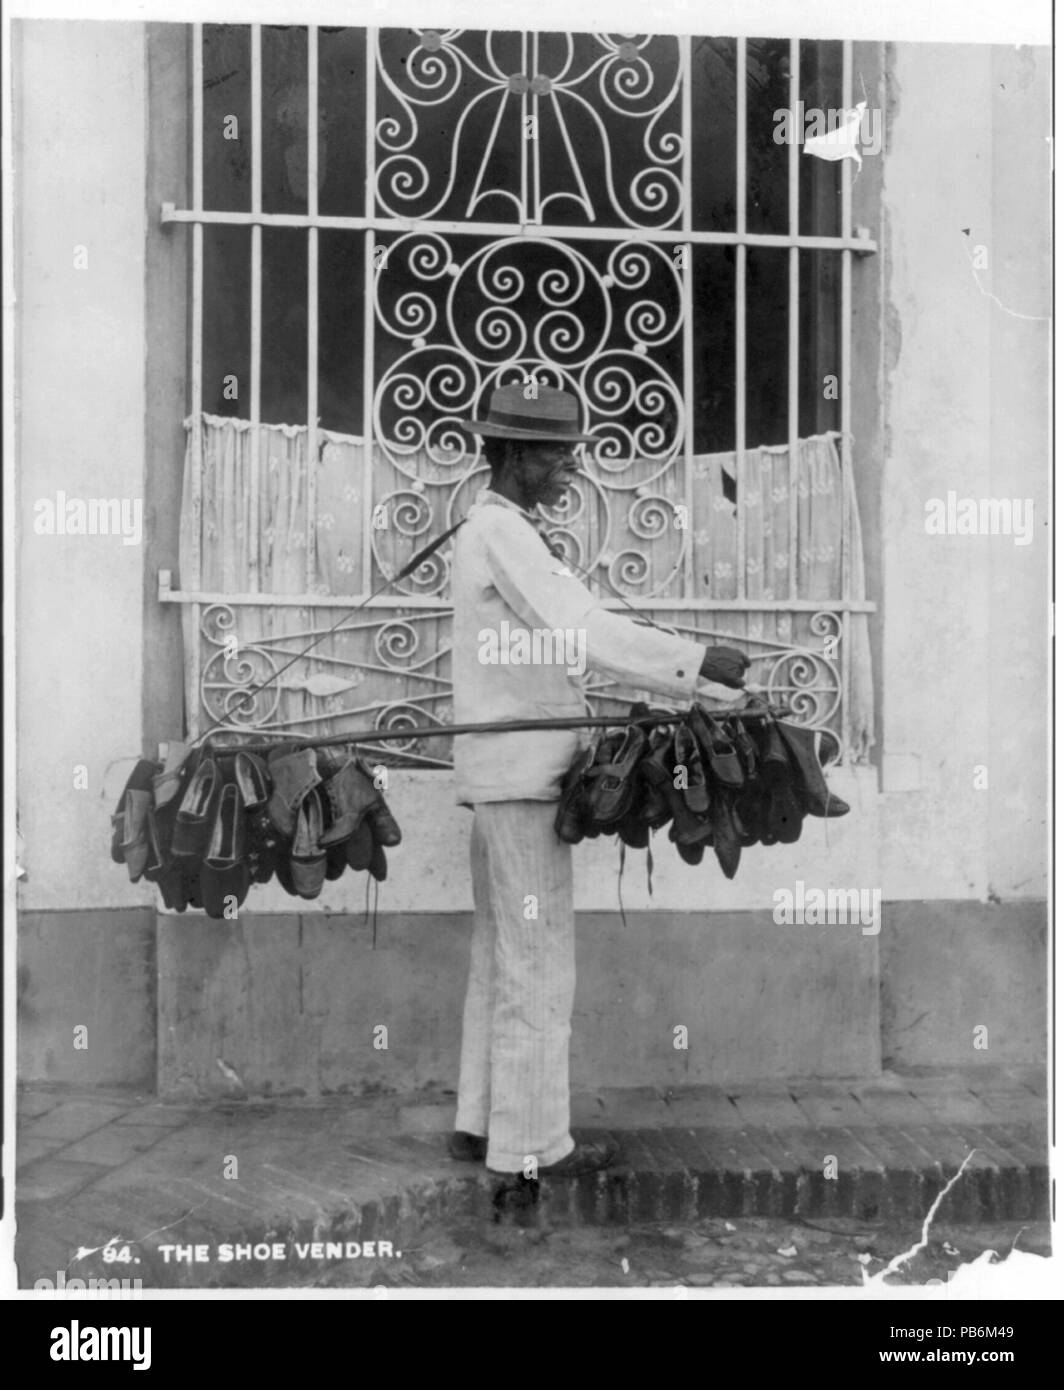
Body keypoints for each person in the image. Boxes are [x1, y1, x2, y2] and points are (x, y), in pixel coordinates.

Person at [449, 383, 749, 1178]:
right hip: (518, 779)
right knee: (537, 961)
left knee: (503, 953)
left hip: (504, 773)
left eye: (570, 452)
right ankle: (529, 1150)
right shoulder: (504, 535)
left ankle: (481, 1123)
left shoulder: (500, 531)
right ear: (511, 454)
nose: (566, 469)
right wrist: (692, 666)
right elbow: (578, 629)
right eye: (552, 453)